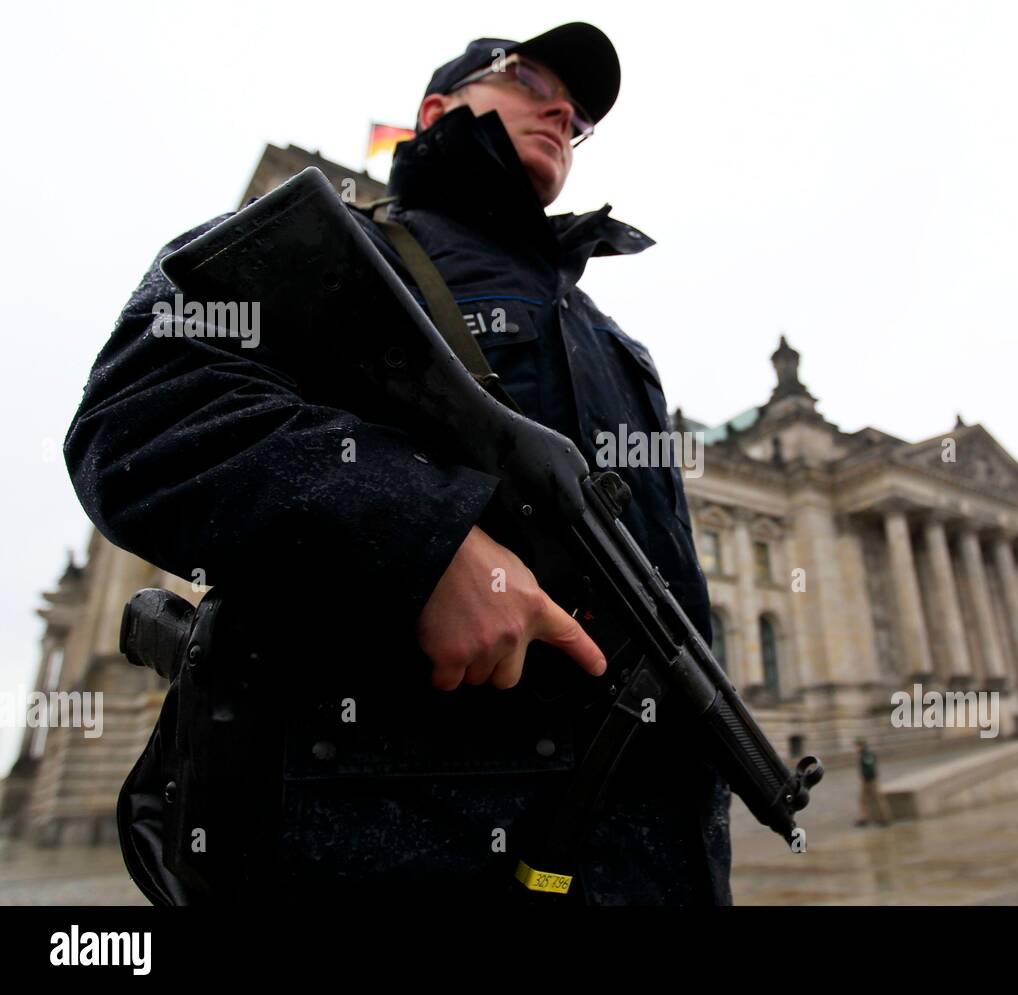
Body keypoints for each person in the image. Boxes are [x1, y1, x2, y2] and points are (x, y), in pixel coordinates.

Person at [64, 22, 731, 905]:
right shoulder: (342, 249)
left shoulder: (616, 346)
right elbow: (138, 413)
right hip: (394, 851)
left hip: (645, 862)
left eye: (578, 119)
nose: (561, 112)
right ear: (434, 110)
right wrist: (424, 537)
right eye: (529, 78)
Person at [854, 738, 892, 827]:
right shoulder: (863, 754)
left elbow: (870, 768)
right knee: (863, 799)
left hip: (871, 780)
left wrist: (866, 777)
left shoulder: (867, 754)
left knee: (878, 799)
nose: (855, 748)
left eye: (857, 746)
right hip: (866, 780)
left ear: (861, 746)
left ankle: (884, 818)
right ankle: (864, 818)